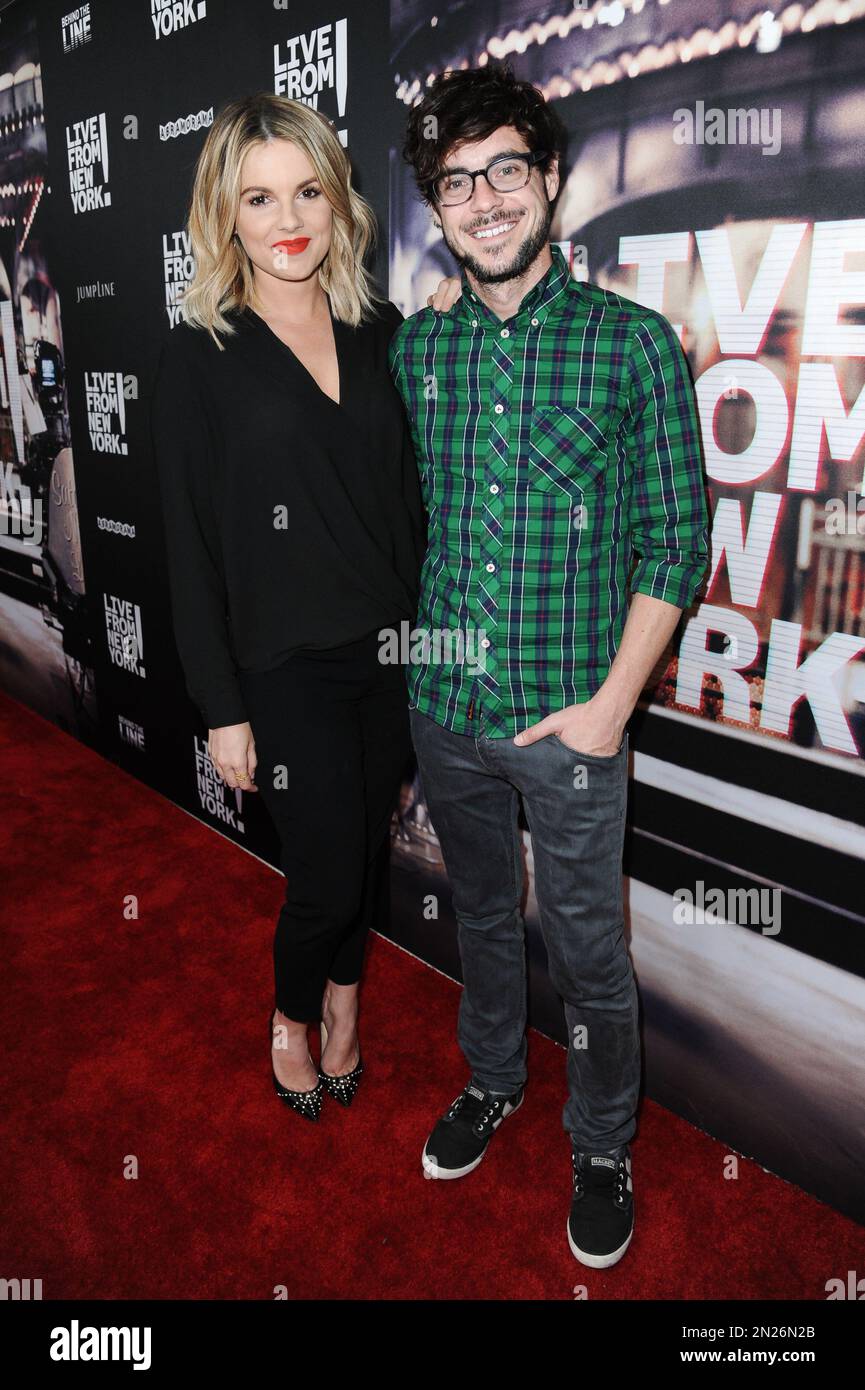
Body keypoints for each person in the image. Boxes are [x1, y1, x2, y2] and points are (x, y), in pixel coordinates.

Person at [390, 65, 710, 1265]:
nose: (481, 200)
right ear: (441, 204)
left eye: (504, 171)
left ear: (551, 179)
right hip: (444, 709)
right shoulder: (419, 357)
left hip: (573, 725)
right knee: (477, 918)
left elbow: (678, 540)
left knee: (588, 954)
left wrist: (609, 710)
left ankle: (602, 1140)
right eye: (457, 181)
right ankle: (489, 1080)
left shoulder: (631, 347)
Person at [151, 93, 426, 1122]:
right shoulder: (201, 352)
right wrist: (223, 707)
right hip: (283, 664)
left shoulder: (380, 330)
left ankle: (349, 1008)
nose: (287, 218)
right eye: (258, 197)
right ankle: (292, 1019)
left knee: (361, 852)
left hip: (389, 654)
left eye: (307, 189)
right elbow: (189, 541)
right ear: (225, 214)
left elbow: (406, 503)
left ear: (337, 198)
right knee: (320, 870)